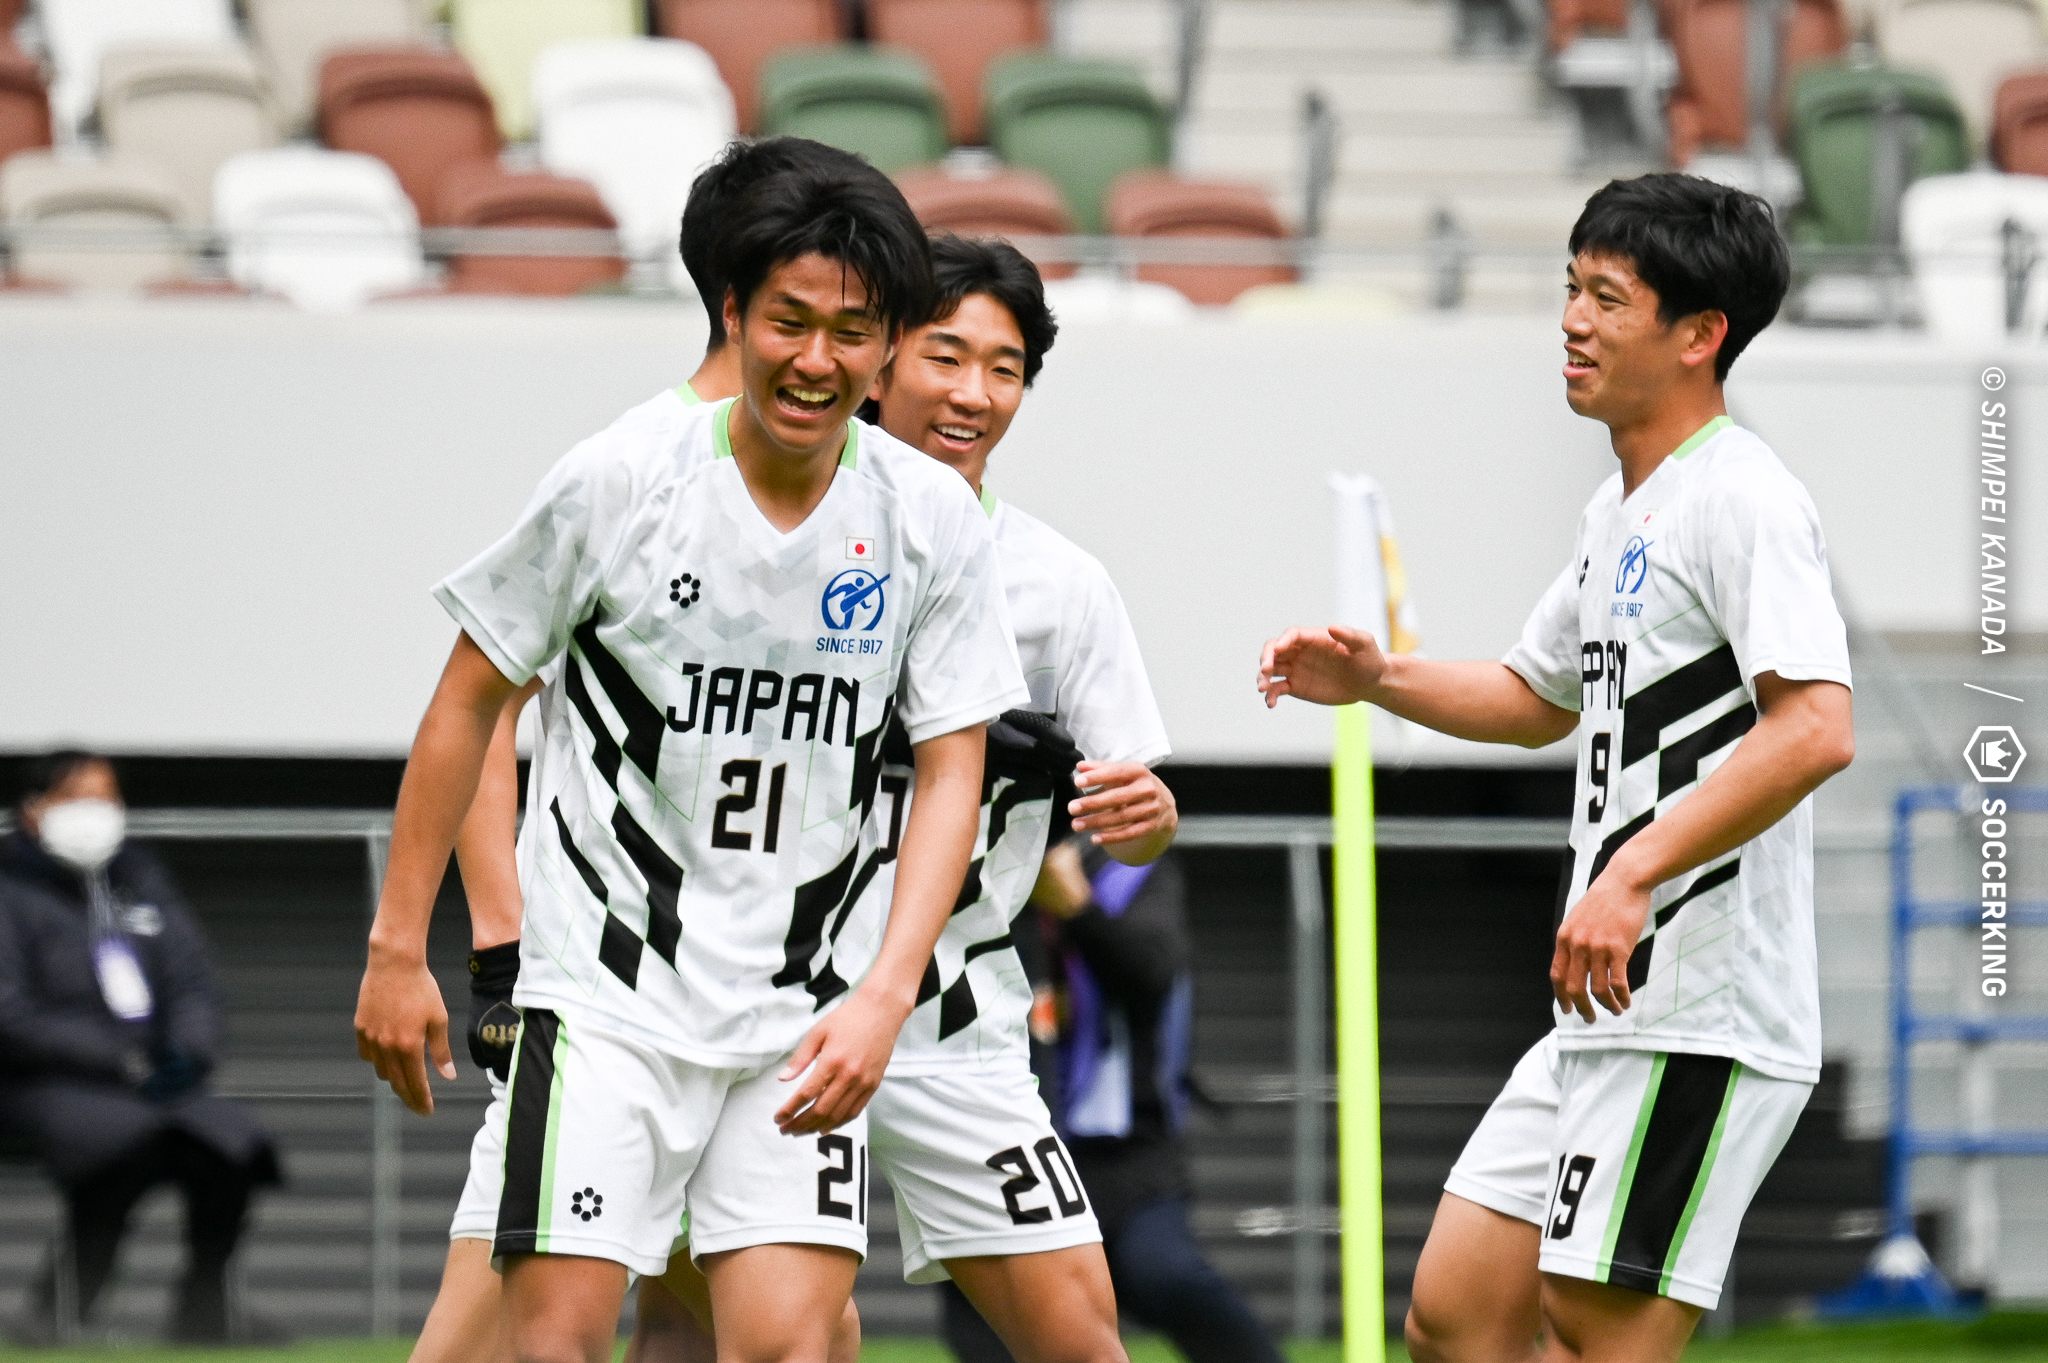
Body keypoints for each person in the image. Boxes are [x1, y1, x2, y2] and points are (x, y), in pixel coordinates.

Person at [354, 147, 1028, 1363]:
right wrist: (402, 944)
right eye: (788, 322)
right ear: (732, 312)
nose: (815, 360)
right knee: (546, 1340)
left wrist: (883, 994)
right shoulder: (621, 480)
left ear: (884, 349)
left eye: (850, 332)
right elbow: (466, 706)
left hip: (800, 1017)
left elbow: (950, 767)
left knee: (789, 1342)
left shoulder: (927, 522)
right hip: (604, 1006)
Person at [1257, 172, 1856, 1363]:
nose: (1572, 322)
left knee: (1589, 1334)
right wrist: (1378, 677)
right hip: (1602, 1014)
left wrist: (1630, 874)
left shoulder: (1741, 498)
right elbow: (1536, 700)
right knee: (1454, 1317)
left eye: (1607, 298)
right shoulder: (1617, 511)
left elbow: (1815, 728)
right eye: (1569, 289)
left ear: (1698, 336)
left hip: (1700, 1011)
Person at [851, 234, 1180, 1363]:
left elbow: (1138, 789)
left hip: (958, 1019)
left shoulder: (1060, 583)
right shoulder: (782, 531)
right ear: (882, 355)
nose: (973, 392)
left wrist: (1144, 813)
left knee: (1083, 1340)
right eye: (946, 355)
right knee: (754, 1331)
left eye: (1004, 368)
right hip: (772, 1008)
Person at [938, 837, 1287, 1363]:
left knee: (1162, 1272)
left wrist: (1076, 906)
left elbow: (1152, 976)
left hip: (1128, 1144)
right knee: (979, 1299)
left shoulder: (1131, 867)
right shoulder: (988, 873)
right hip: (1012, 1128)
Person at [0, 751, 280, 1344]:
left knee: (230, 1148)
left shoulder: (139, 880)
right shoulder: (9, 891)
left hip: (151, 1082)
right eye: (77, 797)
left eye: (107, 797)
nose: (95, 813)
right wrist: (117, 1059)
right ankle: (56, 1314)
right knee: (125, 1151)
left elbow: (192, 983)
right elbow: (11, 1013)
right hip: (44, 1081)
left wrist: (186, 1051)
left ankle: (203, 1316)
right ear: (33, 810)